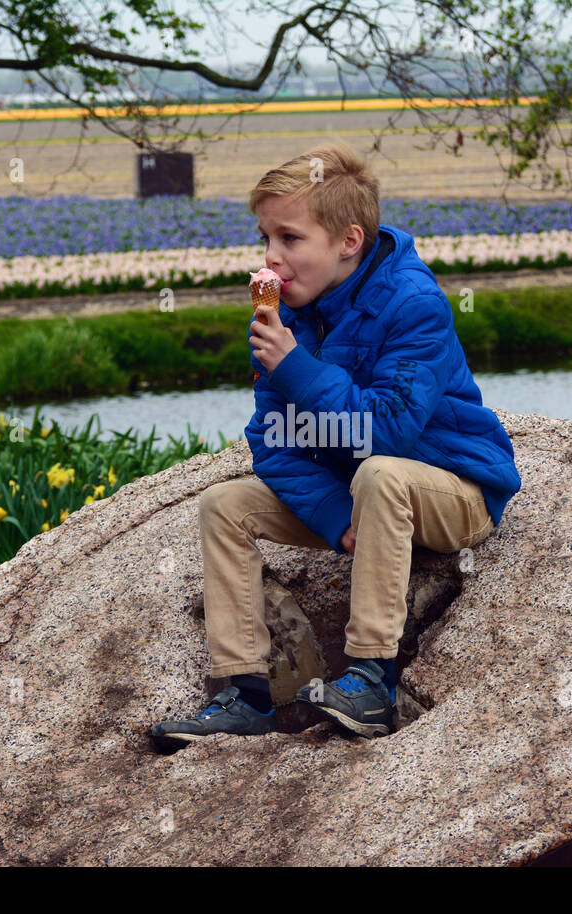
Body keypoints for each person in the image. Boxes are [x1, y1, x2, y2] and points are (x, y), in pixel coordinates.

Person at [150, 142, 521, 746]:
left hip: (452, 490)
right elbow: (272, 440)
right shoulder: (285, 316)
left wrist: (295, 368)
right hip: (361, 497)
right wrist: (329, 512)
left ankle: (372, 678)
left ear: (348, 241)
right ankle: (246, 694)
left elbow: (390, 431)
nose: (270, 259)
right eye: (265, 238)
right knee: (225, 506)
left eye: (290, 239)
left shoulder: (414, 305)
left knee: (381, 473)